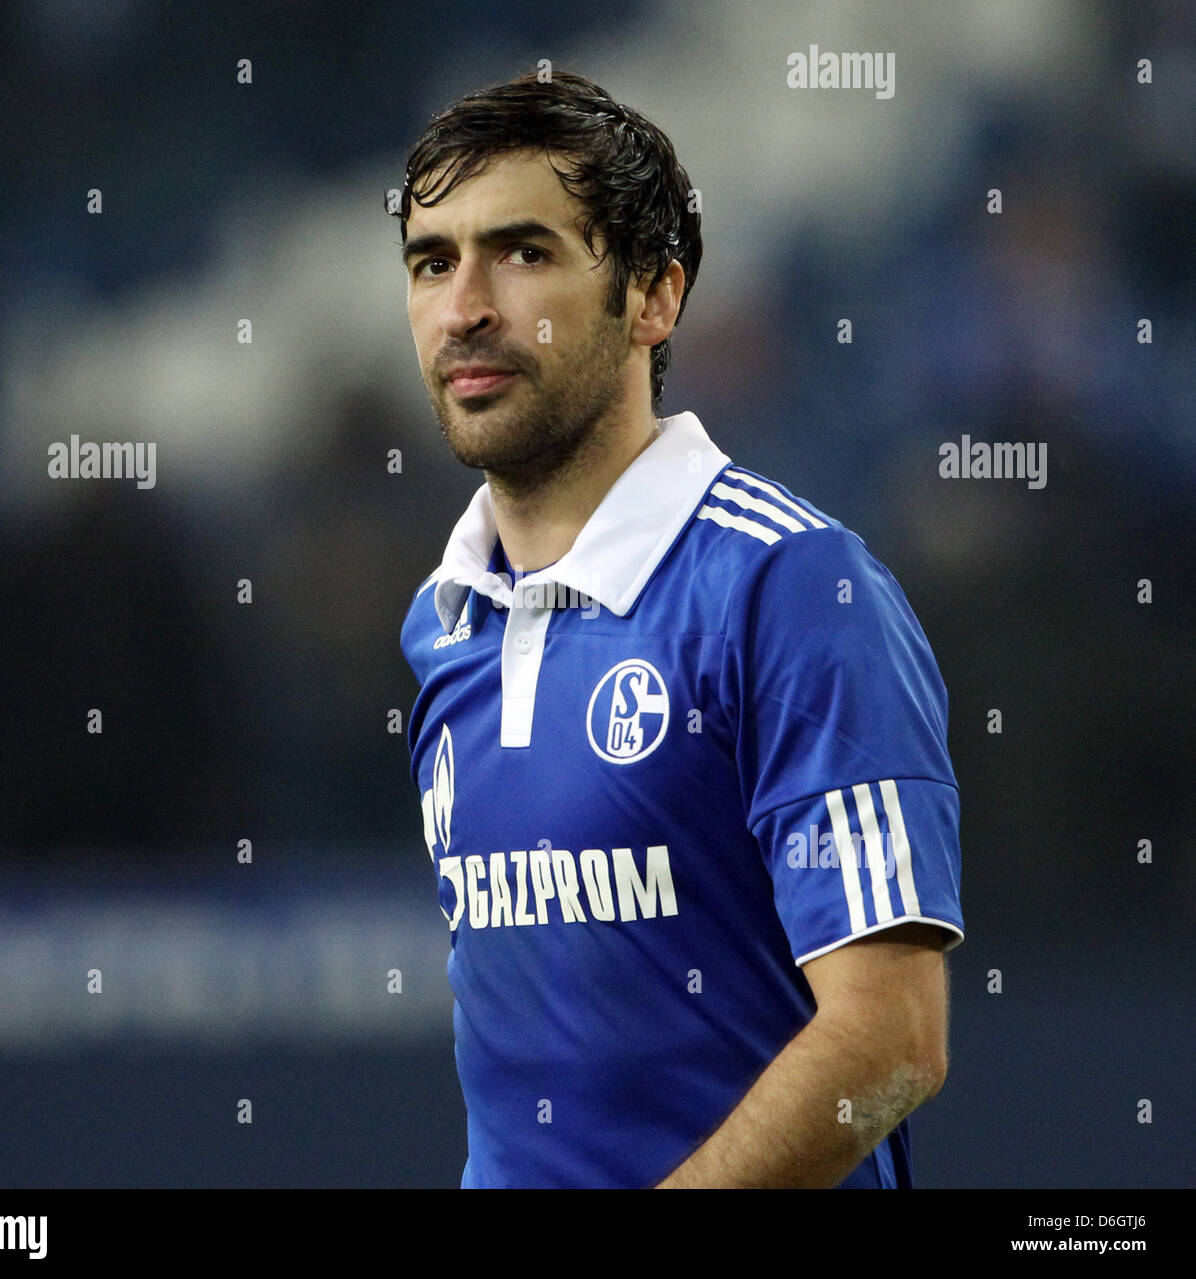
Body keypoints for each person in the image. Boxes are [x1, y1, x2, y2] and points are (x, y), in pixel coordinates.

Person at [392, 69, 963, 1189]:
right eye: (431, 261)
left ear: (654, 296)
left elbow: (894, 1041)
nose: (464, 306)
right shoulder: (444, 620)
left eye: (523, 253)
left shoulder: (791, 586)